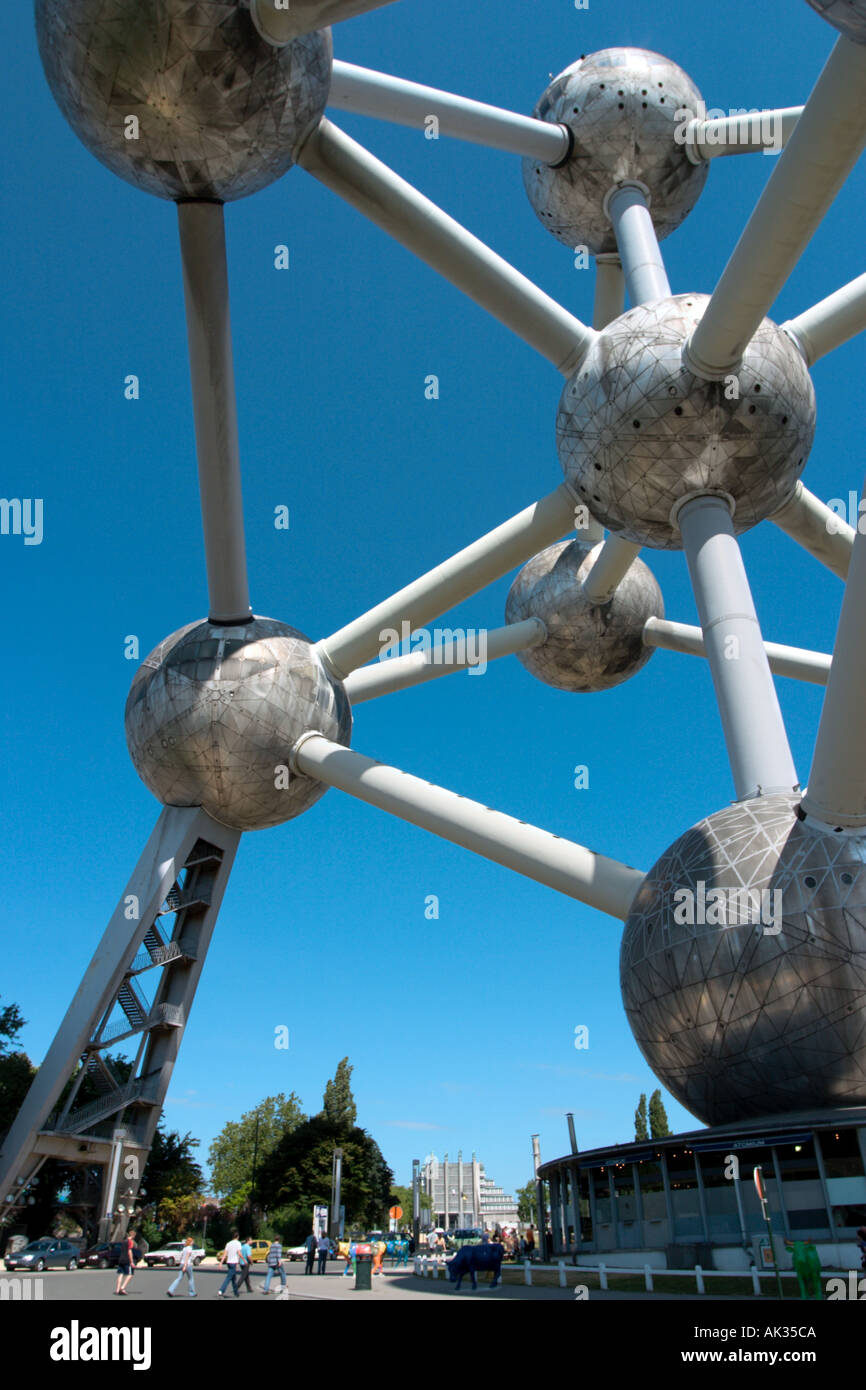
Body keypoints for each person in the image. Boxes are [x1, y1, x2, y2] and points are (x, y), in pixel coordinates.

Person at [114, 1229, 141, 1295]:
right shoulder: (130, 1241)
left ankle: (117, 1290)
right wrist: (131, 1262)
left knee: (121, 1274)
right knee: (130, 1274)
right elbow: (129, 1251)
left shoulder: (123, 1241)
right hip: (127, 1260)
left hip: (121, 1259)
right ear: (133, 1236)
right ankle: (122, 1288)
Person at [218, 1231, 244, 1297]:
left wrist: (221, 1262)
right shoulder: (238, 1243)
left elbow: (225, 1254)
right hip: (233, 1262)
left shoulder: (228, 1243)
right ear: (238, 1237)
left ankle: (236, 1293)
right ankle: (221, 1290)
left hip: (229, 1262)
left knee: (233, 1278)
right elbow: (239, 1253)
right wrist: (244, 1260)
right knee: (229, 1277)